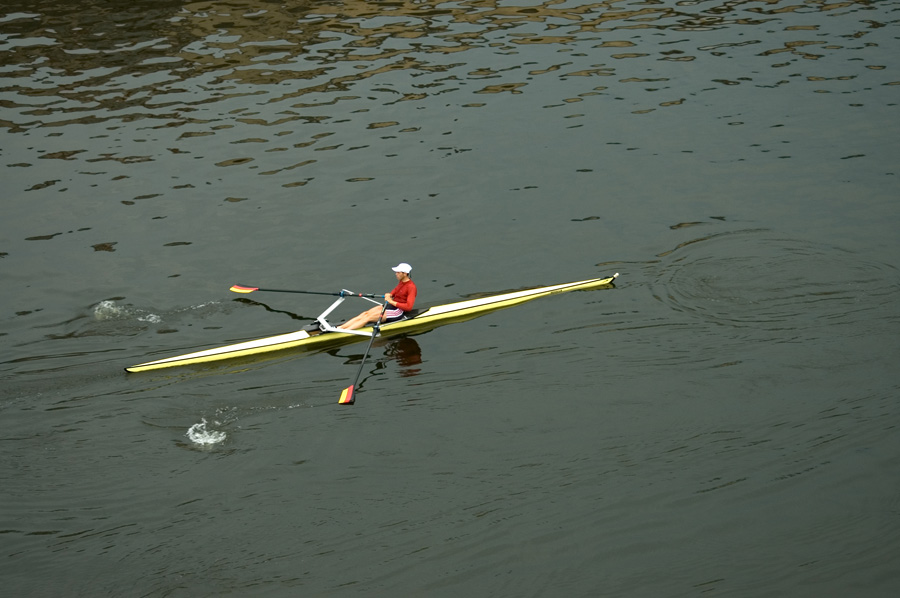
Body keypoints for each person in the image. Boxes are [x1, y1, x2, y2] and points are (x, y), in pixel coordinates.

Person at [338, 263, 417, 331]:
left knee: (368, 318)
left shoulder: (411, 287)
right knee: (366, 313)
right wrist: (390, 294)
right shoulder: (402, 281)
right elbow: (397, 289)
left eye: (398, 272)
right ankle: (340, 328)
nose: (396, 274)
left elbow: (409, 307)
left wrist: (391, 301)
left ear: (405, 274)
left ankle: (345, 332)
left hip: (398, 311)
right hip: (391, 306)